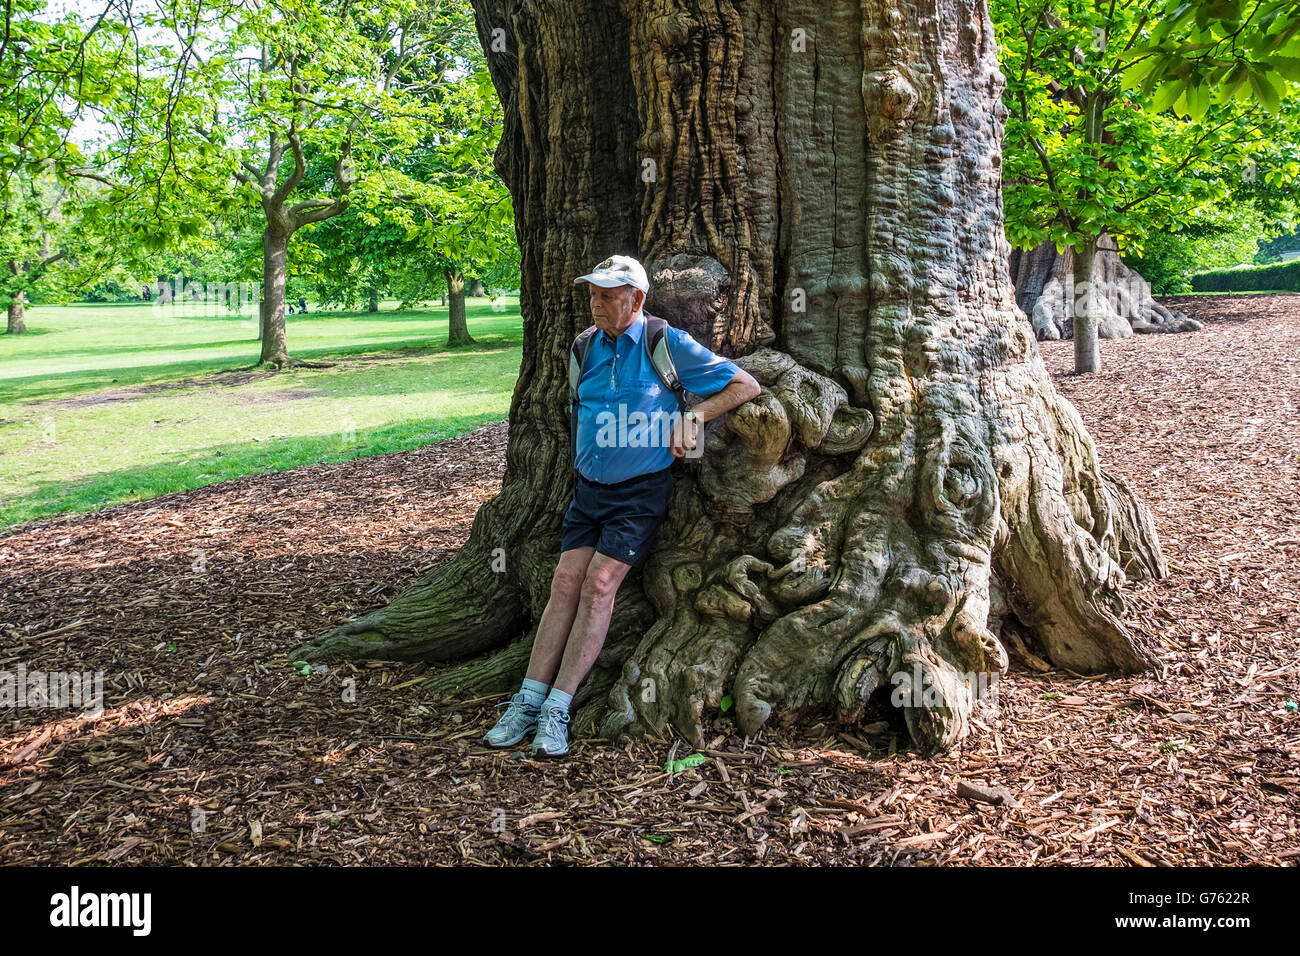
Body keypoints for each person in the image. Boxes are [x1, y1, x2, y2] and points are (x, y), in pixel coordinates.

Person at [482, 254, 761, 757]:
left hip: (639, 493)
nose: (597, 303)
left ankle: (557, 709)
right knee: (564, 580)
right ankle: (526, 700)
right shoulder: (583, 347)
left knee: (599, 583)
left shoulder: (665, 343)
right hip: (587, 491)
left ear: (637, 298)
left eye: (609, 295)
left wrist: (694, 416)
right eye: (593, 293)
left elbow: (745, 385)